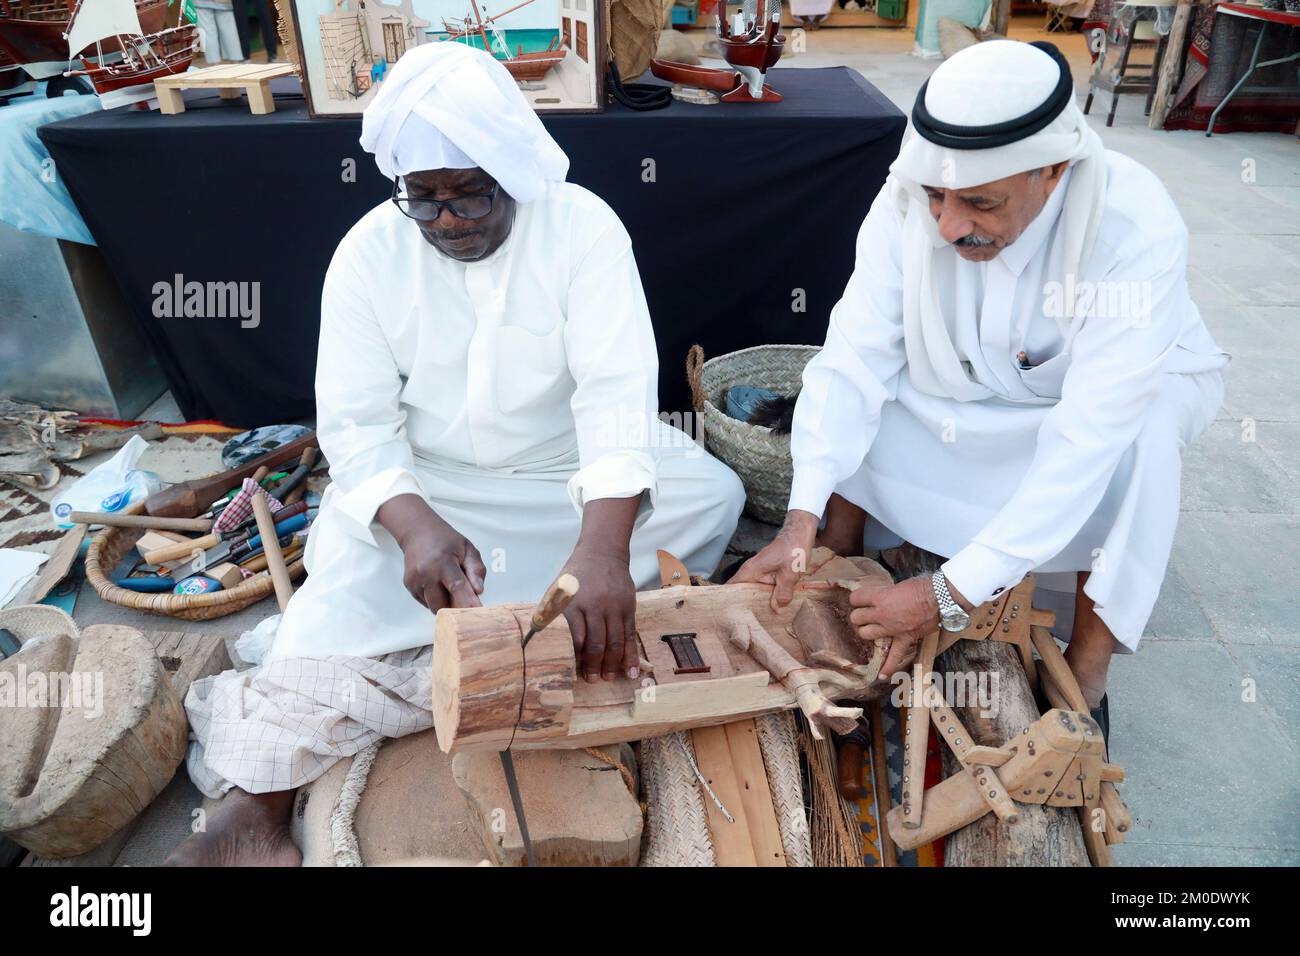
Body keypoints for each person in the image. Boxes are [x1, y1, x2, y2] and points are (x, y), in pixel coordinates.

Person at [166, 43, 745, 866]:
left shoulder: (583, 228)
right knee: (338, 584)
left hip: (564, 473)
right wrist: (412, 529)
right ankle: (251, 810)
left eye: (469, 194)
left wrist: (603, 546)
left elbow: (616, 395)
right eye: (425, 201)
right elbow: (358, 427)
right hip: (431, 490)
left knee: (711, 496)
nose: (449, 221)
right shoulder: (369, 253)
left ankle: (532, 610)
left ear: (509, 170)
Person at [737, 40, 1228, 729]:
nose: (946, 225)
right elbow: (854, 356)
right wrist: (799, 516)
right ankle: (833, 546)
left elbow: (1090, 433)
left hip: (1108, 391)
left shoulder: (1135, 226)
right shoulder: (909, 197)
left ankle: (1088, 664)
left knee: (1144, 435)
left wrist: (945, 594)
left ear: (1053, 172)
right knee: (876, 382)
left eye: (979, 203)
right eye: (936, 197)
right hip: (965, 376)